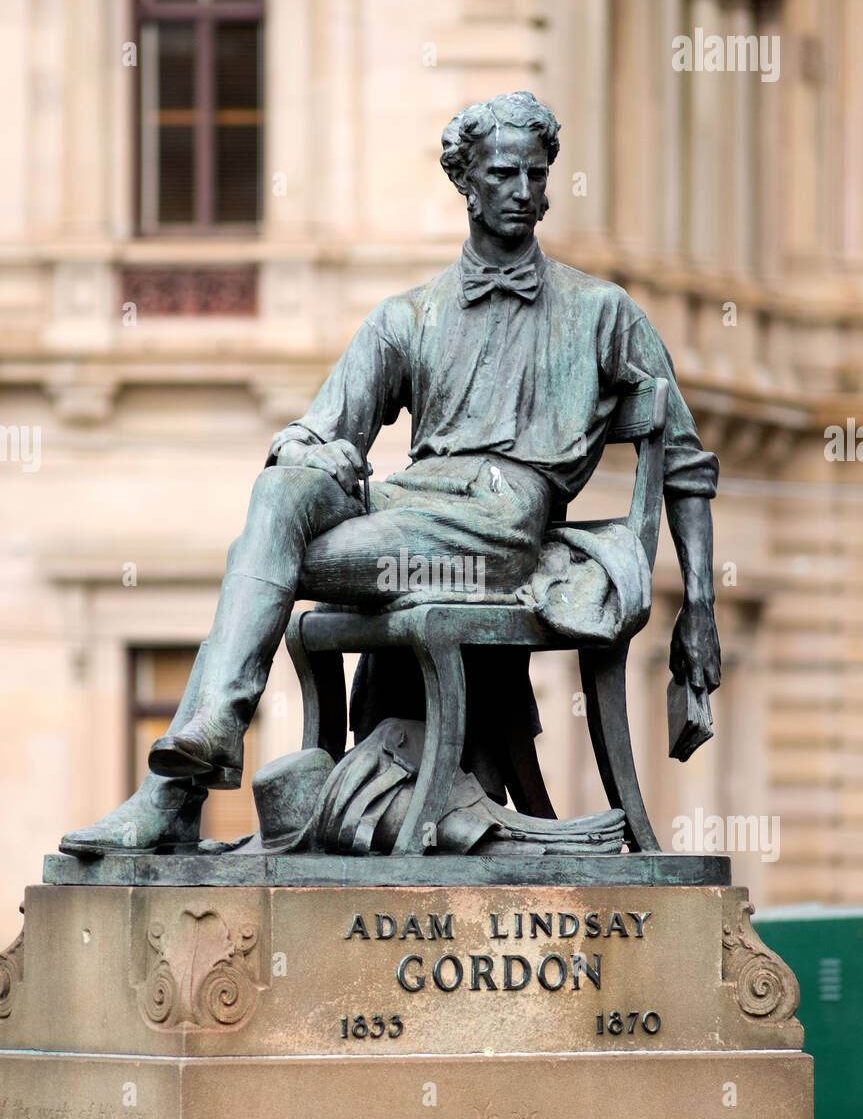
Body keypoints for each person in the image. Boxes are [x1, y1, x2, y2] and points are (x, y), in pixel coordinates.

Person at [61, 91, 720, 857]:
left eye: (536, 176)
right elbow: (309, 431)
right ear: (464, 184)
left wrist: (699, 604)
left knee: (267, 559)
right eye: (503, 174)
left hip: (499, 531)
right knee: (282, 490)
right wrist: (319, 452)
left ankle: (173, 795)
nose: (523, 193)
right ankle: (197, 752)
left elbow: (684, 463)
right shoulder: (407, 314)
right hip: (410, 507)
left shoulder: (601, 311)